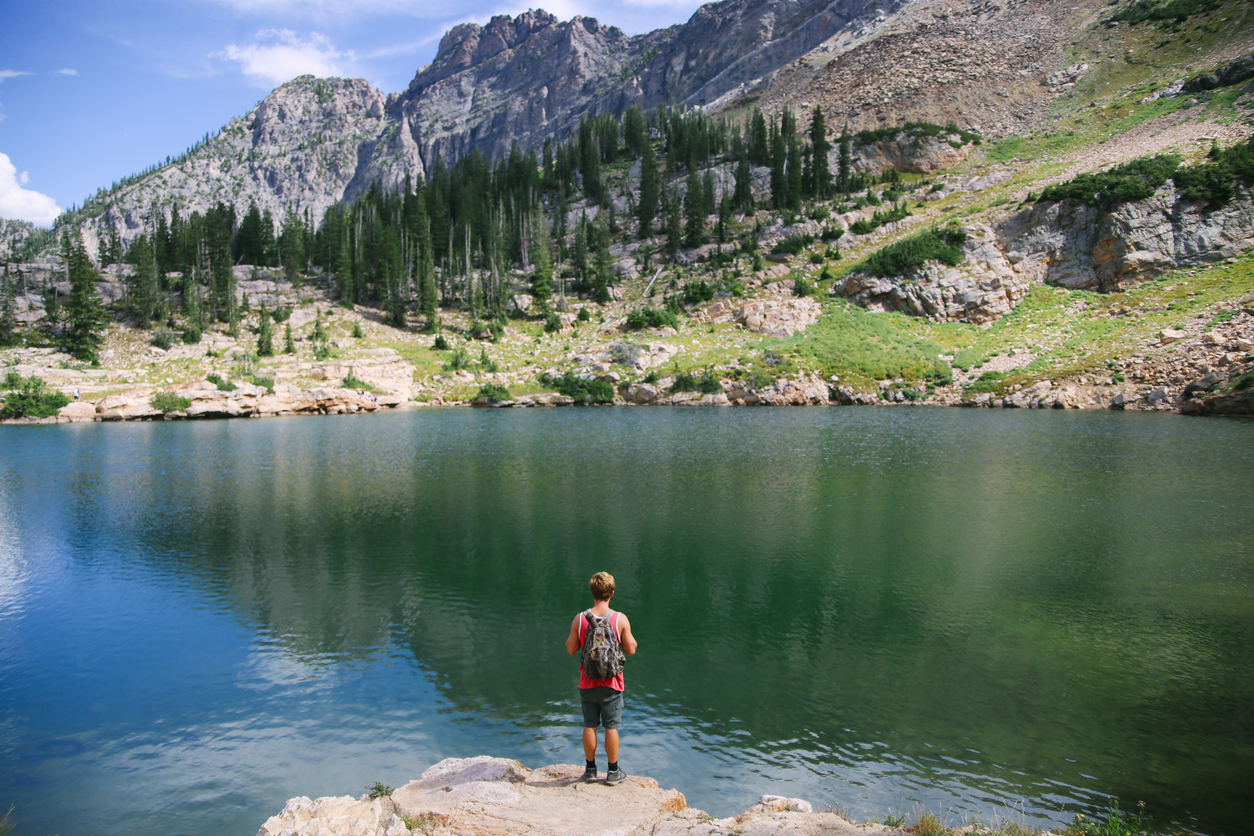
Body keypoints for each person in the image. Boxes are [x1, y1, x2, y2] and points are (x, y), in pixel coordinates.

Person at [565, 571, 638, 786]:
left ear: (592, 592)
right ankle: (613, 771)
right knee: (611, 727)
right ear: (611, 593)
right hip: (613, 683)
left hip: (588, 681)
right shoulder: (619, 619)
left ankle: (589, 770)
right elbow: (631, 649)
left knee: (590, 725)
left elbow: (571, 649)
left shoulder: (580, 618)